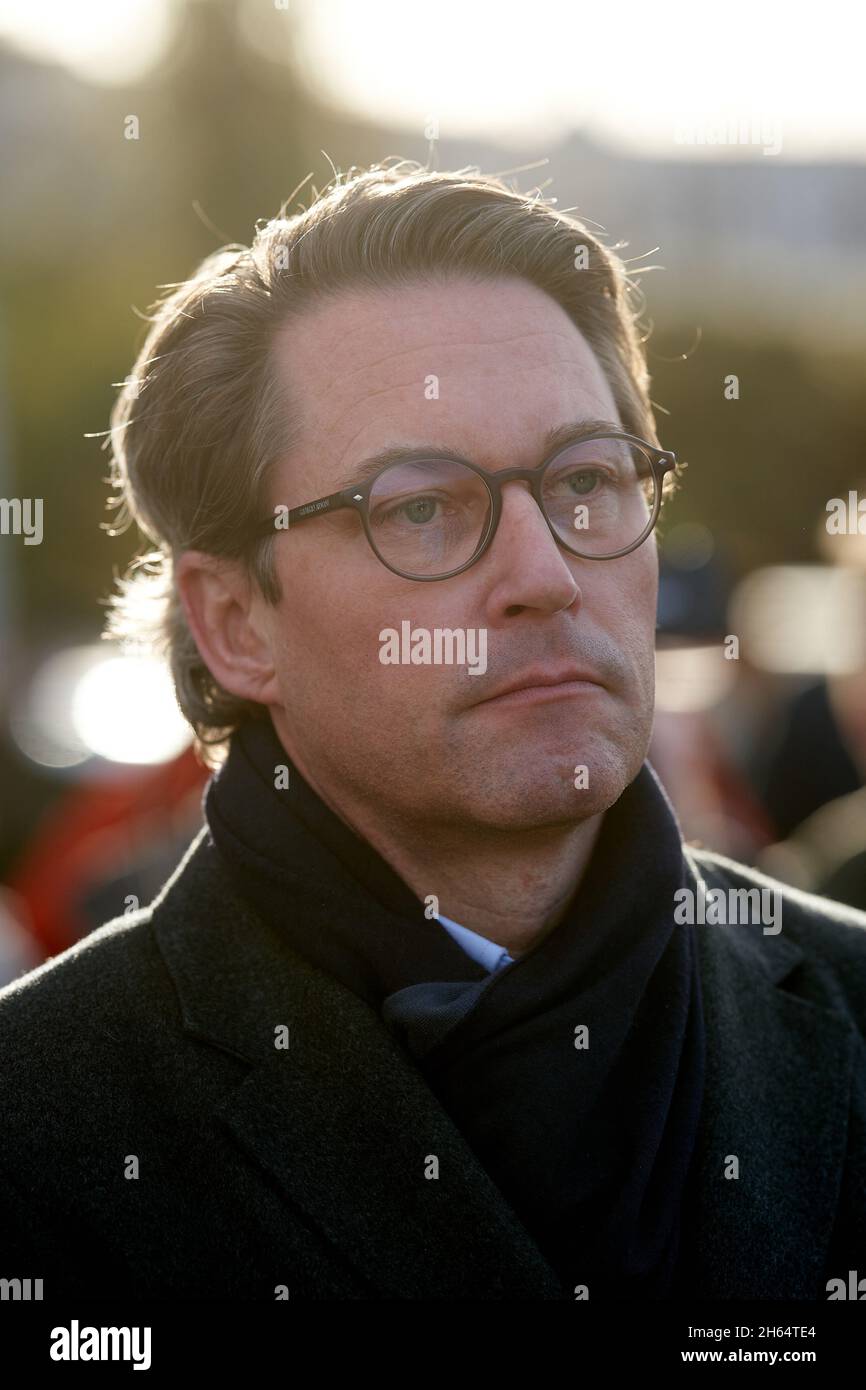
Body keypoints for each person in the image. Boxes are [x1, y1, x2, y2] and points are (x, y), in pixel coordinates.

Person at [0, 160, 864, 1302]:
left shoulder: (847, 1005)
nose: (545, 575)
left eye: (587, 481)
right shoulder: (37, 1129)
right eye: (418, 506)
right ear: (233, 621)